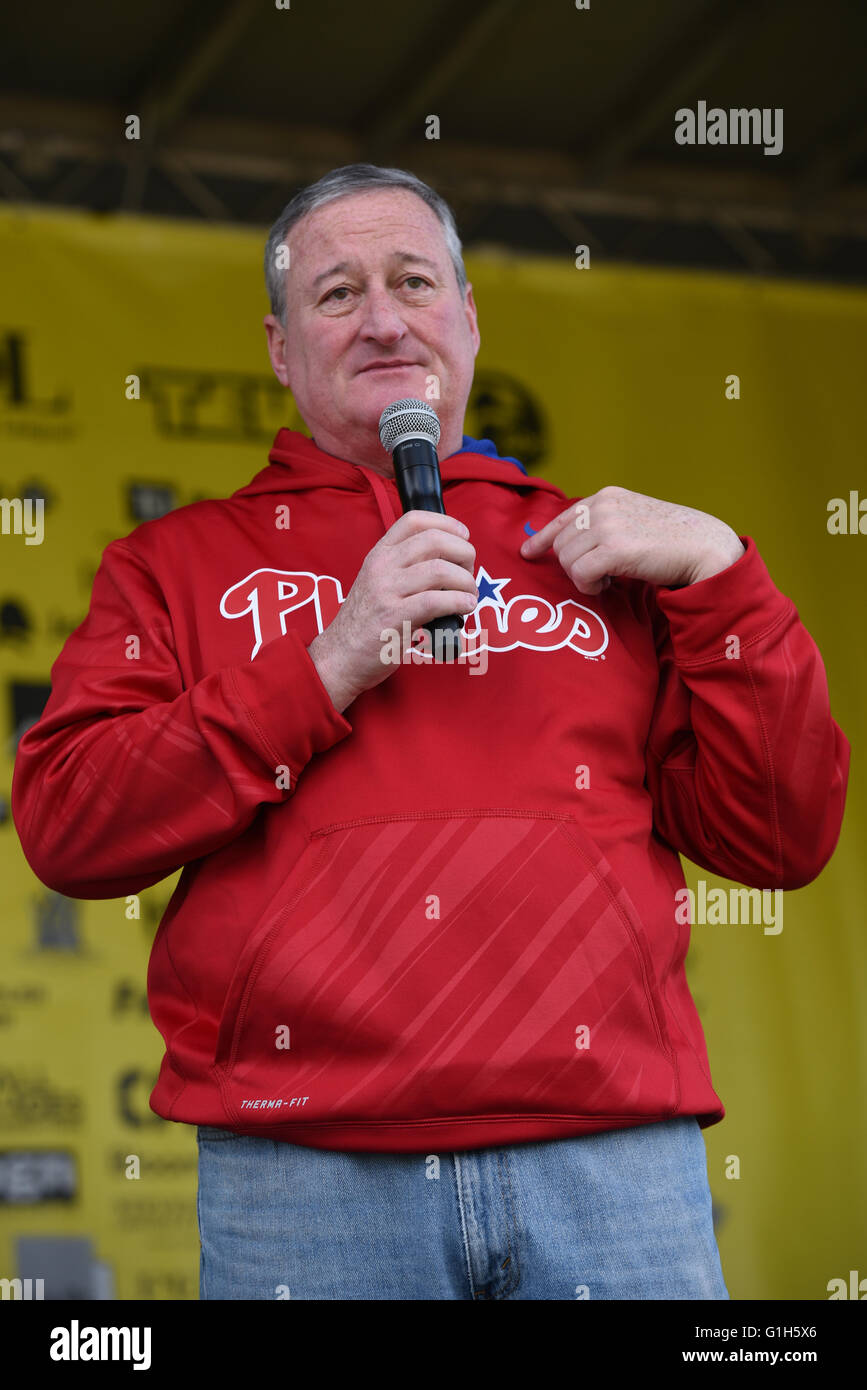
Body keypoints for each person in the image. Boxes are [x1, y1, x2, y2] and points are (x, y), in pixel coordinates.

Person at [11, 164, 850, 1302]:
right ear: (278, 344)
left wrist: (726, 578)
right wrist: (327, 663)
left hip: (613, 1156)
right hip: (305, 1167)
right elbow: (67, 824)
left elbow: (780, 838)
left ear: (466, 317)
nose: (385, 319)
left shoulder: (601, 554)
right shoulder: (174, 566)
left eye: (413, 281)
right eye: (337, 292)